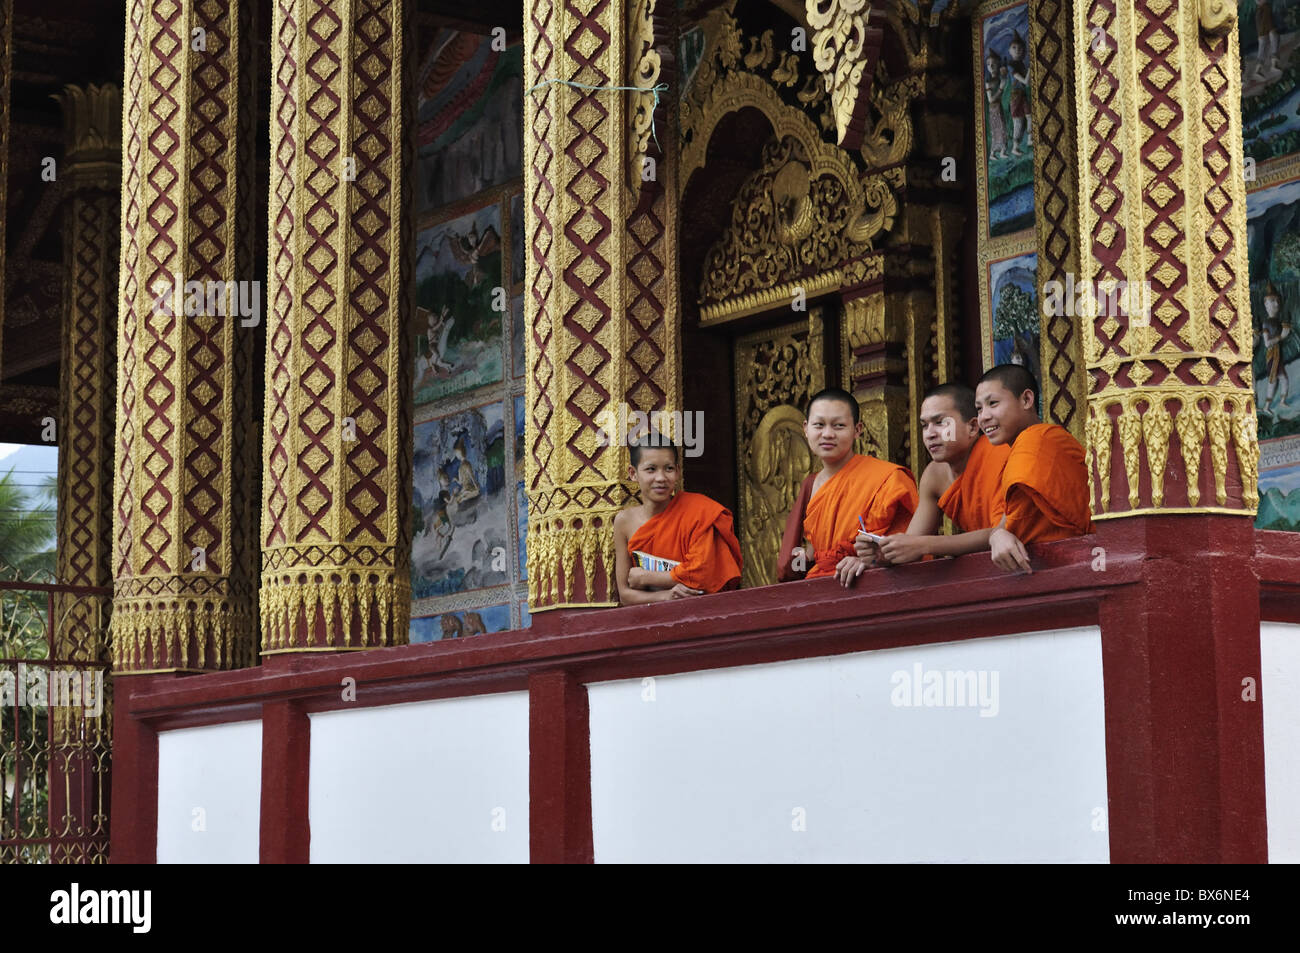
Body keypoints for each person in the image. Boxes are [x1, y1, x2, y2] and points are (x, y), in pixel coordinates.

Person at [856, 383, 1012, 566]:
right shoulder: (934, 475)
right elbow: (912, 542)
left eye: (940, 423)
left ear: (972, 427)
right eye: (924, 425)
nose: (929, 434)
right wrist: (880, 554)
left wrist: (925, 545)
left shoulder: (1002, 454)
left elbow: (1002, 532)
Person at [776, 387, 918, 588]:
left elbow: (909, 543)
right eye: (819, 425)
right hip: (819, 585)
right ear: (806, 429)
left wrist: (868, 561)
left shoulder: (887, 479)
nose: (827, 434)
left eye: (839, 426)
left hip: (868, 582)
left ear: (857, 430)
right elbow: (812, 550)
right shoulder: (811, 484)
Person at [975, 364, 1093, 573]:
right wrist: (997, 535)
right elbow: (1009, 523)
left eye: (992, 403)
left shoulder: (1038, 442)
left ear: (1027, 400)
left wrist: (998, 535)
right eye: (979, 408)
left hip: (1082, 563)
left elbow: (1013, 527)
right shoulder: (1018, 455)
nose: (983, 416)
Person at [613, 434, 743, 604]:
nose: (661, 478)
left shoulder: (699, 512)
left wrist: (647, 577)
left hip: (701, 614)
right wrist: (666, 596)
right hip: (650, 621)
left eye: (668, 469)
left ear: (678, 471)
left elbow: (704, 574)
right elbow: (625, 595)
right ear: (633, 473)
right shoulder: (624, 522)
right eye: (651, 469)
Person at [1006, 33, 1031, 156]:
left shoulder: (1021, 65)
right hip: (1015, 96)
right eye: (1014, 48)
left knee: (1029, 115)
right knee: (1018, 122)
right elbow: (1025, 81)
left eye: (1020, 48)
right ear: (1009, 50)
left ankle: (1031, 137)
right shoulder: (1011, 66)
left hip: (1022, 94)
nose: (1018, 50)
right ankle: (1015, 147)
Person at [984, 48, 1008, 161]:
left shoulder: (998, 78)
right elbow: (990, 99)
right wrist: (1001, 89)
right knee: (997, 129)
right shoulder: (989, 82)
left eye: (993, 64)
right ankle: (993, 153)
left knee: (1002, 128)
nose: (991, 66)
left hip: (999, 107)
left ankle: (1003, 150)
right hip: (993, 108)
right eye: (988, 64)